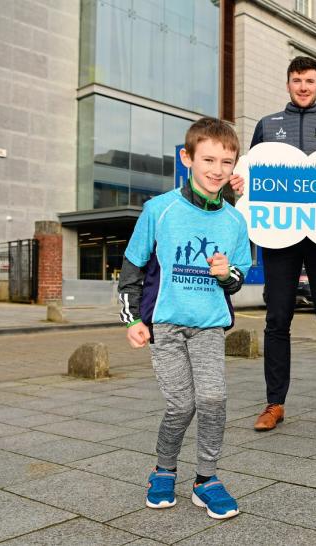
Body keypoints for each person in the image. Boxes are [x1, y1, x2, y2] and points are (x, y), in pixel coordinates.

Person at [118, 118, 251, 519]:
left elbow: (238, 278)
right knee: (181, 405)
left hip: (209, 324)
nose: (217, 169)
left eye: (226, 162)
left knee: (213, 399)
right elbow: (131, 269)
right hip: (167, 325)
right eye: (208, 159)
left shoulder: (234, 221)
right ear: (187, 157)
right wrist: (131, 320)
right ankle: (163, 470)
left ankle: (206, 480)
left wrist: (227, 273)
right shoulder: (159, 210)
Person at [250, 56, 316, 432]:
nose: (304, 87)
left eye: (310, 80)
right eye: (297, 80)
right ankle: (274, 403)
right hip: (280, 239)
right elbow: (254, 182)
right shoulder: (266, 126)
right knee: (278, 318)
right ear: (288, 83)